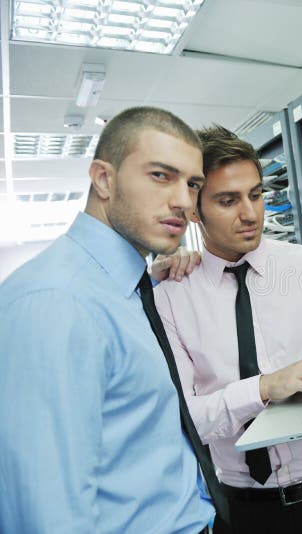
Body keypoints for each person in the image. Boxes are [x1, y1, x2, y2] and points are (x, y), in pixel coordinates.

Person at [153, 125, 302, 533]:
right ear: (193, 209)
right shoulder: (170, 296)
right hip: (245, 511)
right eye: (228, 201)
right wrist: (262, 389)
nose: (250, 213)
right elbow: (183, 418)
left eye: (256, 194)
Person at [0, 107, 221, 533]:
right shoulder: (56, 303)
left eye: (192, 184)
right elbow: (46, 517)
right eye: (161, 175)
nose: (183, 201)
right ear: (104, 178)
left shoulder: (123, 290)